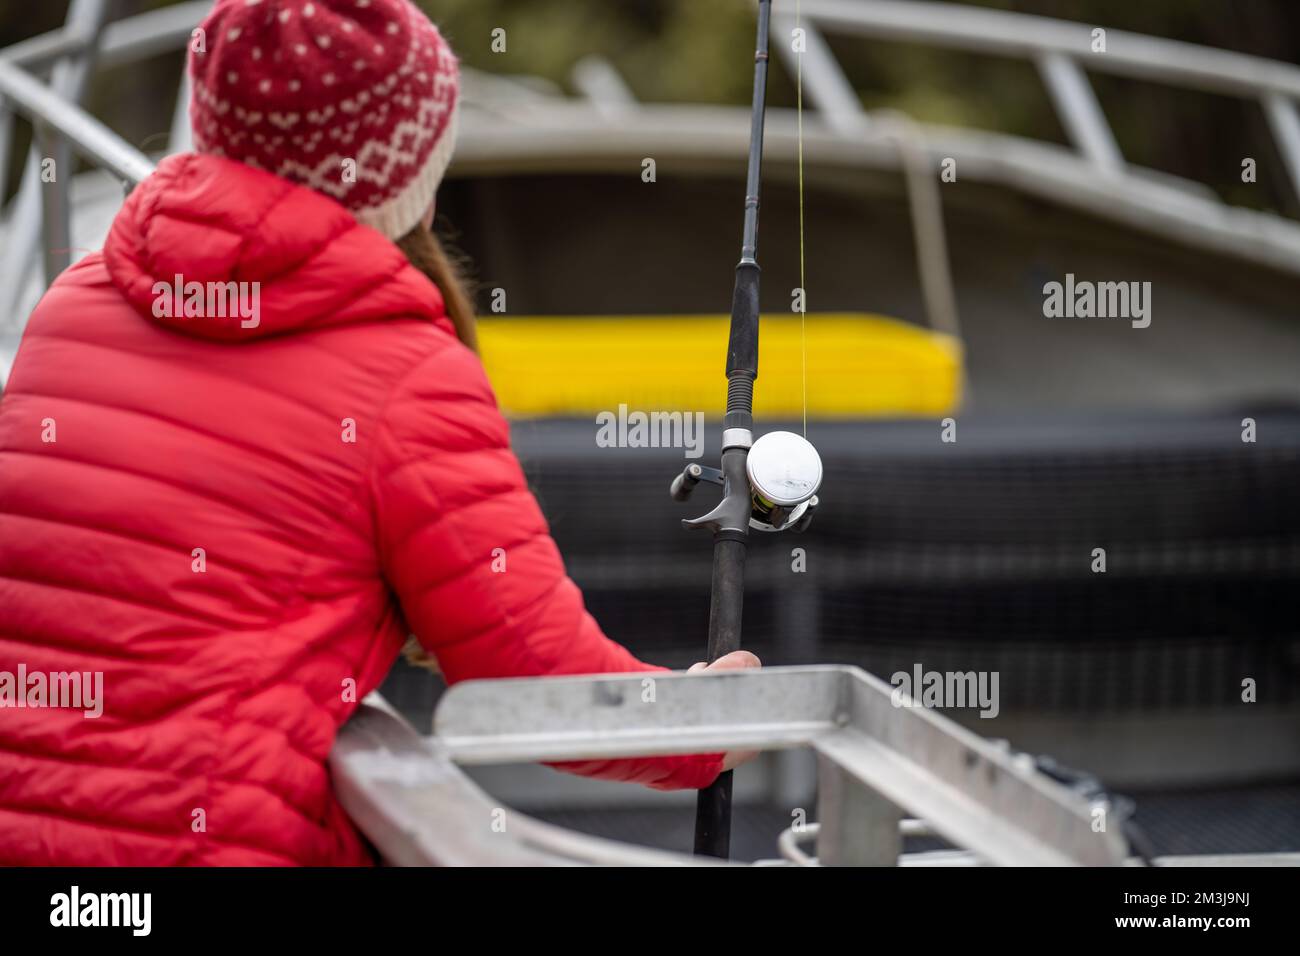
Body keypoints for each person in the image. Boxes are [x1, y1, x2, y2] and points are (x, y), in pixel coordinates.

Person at [0, 0, 758, 866]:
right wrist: (709, 723)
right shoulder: (410, 379)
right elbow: (541, 688)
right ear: (409, 177)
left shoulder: (74, 300)